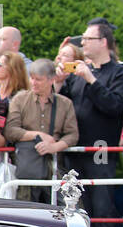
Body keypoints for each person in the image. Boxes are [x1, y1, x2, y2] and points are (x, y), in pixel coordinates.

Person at [58, 19, 123, 227]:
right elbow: (63, 106)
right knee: (73, 209)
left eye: (89, 38)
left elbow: (114, 106)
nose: (84, 43)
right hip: (73, 149)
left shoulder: (119, 73)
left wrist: (90, 79)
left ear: (103, 42)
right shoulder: (78, 73)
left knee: (100, 207)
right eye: (83, 38)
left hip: (100, 149)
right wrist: (59, 82)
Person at [5, 59, 78, 203]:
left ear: (52, 80)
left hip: (54, 168)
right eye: (31, 78)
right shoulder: (19, 99)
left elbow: (73, 134)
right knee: (26, 208)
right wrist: (38, 135)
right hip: (27, 166)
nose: (33, 82)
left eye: (38, 79)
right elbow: (10, 131)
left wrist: (54, 147)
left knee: (60, 209)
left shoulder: (65, 103)